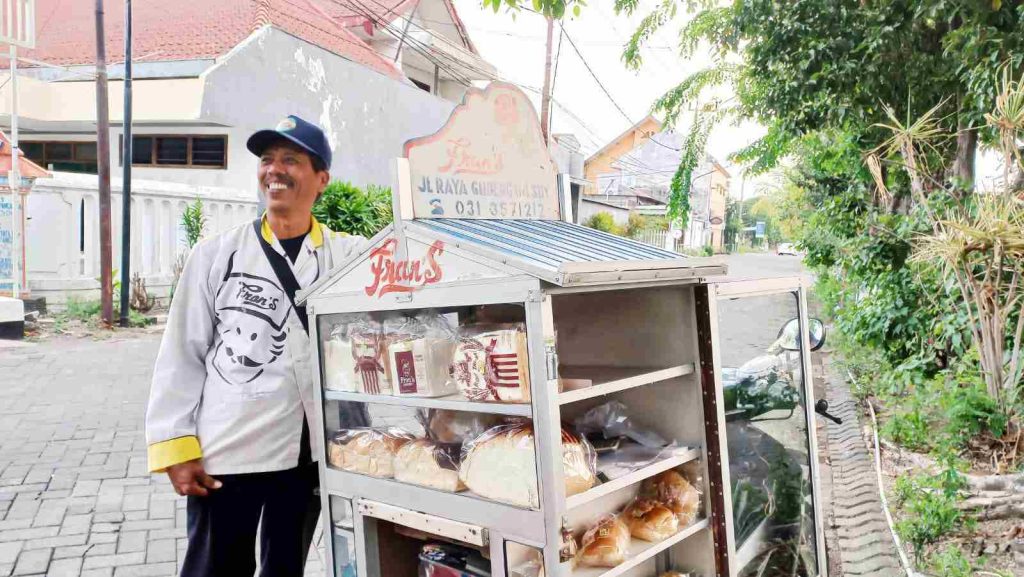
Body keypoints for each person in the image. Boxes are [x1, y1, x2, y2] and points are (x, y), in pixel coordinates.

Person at [145, 115, 365, 576]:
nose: (274, 170)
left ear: (321, 178)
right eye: (266, 160)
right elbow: (181, 352)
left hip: (309, 452)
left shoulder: (349, 255)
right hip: (230, 448)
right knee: (216, 568)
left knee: (286, 567)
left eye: (291, 159)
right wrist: (175, 445)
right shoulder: (217, 254)